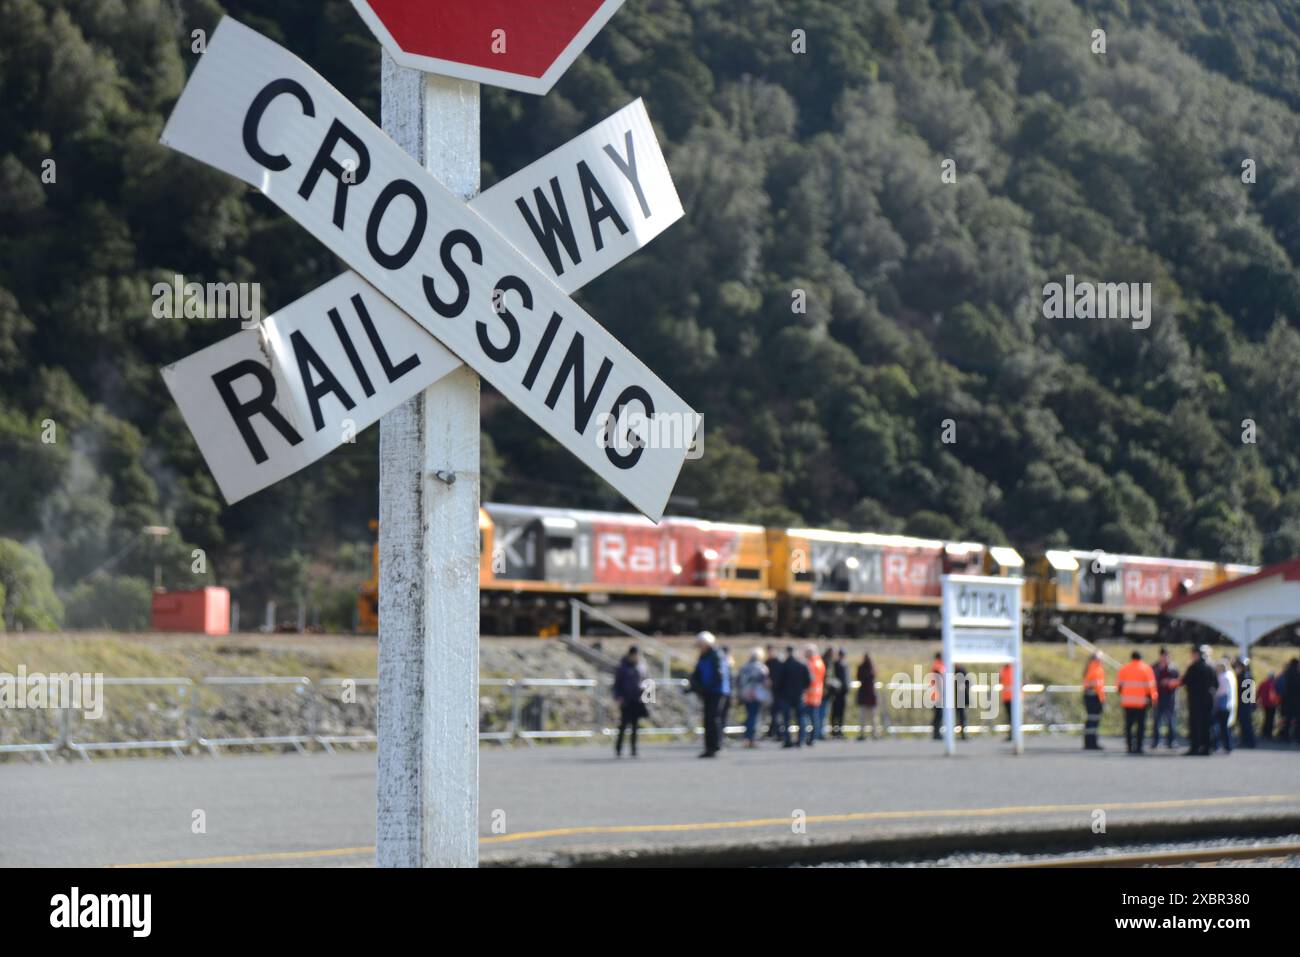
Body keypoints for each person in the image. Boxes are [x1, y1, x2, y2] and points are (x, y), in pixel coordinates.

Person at [689, 631, 729, 758]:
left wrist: (705, 687)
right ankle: (709, 747)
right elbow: (697, 673)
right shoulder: (703, 656)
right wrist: (695, 684)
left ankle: (716, 746)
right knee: (707, 719)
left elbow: (719, 676)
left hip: (716, 692)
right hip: (707, 691)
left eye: (700, 644)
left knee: (713, 718)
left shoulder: (716, 655)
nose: (699, 647)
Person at [1116, 650, 1157, 754]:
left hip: (1127, 703)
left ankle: (1129, 747)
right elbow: (1151, 687)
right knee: (1140, 726)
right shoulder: (1146, 669)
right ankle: (1139, 747)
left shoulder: (1124, 669)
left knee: (1128, 726)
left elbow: (1119, 687)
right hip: (1141, 703)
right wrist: (1153, 700)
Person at [613, 646, 649, 758]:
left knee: (635, 725)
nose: (636, 657)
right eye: (634, 655)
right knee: (623, 725)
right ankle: (618, 748)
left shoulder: (642, 667)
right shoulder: (622, 667)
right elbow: (616, 685)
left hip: (637, 700)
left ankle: (634, 749)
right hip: (626, 700)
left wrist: (646, 696)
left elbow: (647, 681)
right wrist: (618, 696)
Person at [1182, 645, 1216, 756]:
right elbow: (1216, 684)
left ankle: (1195, 747)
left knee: (1195, 724)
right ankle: (1207, 747)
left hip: (1195, 701)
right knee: (1207, 724)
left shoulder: (1193, 668)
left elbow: (1185, 681)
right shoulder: (1210, 667)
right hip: (1208, 700)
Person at [736, 648, 770, 748]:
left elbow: (739, 682)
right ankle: (752, 739)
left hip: (745, 694)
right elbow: (765, 682)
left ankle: (746, 738)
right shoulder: (761, 668)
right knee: (755, 717)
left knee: (749, 715)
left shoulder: (744, 667)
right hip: (757, 695)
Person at [779, 645, 810, 748]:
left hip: (786, 695)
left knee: (786, 719)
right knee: (801, 718)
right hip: (799, 695)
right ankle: (801, 740)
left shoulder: (783, 665)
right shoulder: (802, 665)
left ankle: (787, 740)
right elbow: (809, 681)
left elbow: (778, 682)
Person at [1151, 647, 1180, 750]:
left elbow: (1178, 681)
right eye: (1163, 656)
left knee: (1171, 721)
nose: (1165, 658)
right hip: (1158, 698)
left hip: (1170, 699)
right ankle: (1156, 741)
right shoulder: (1154, 667)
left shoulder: (1173, 668)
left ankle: (1172, 741)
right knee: (1157, 721)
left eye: (1167, 656)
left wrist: (1169, 682)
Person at [801, 645, 826, 747]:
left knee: (808, 718)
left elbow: (809, 680)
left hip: (810, 695)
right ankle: (813, 737)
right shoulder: (820, 662)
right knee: (815, 718)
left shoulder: (812, 664)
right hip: (816, 694)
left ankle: (810, 737)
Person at [1082, 652, 1106, 750]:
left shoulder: (1093, 668)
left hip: (1092, 697)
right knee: (1093, 721)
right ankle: (1091, 743)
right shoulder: (1095, 669)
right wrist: (1101, 699)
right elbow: (1096, 687)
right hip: (1094, 698)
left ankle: (1090, 742)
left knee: (1092, 721)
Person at [1211, 660, 1234, 754]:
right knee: (1224, 727)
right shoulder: (1229, 676)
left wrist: (1214, 693)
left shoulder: (1222, 677)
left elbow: (1220, 691)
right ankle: (1227, 746)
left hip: (1222, 705)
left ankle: (1221, 746)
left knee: (1220, 727)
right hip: (1227, 704)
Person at [856, 652, 879, 740]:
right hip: (869, 695)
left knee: (867, 717)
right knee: (869, 717)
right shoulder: (870, 668)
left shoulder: (866, 668)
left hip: (867, 695)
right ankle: (873, 734)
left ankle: (866, 734)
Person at [1235, 657, 1256, 749]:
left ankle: (1249, 741)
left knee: (1246, 724)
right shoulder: (1246, 676)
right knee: (1244, 723)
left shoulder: (1245, 677)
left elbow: (1246, 695)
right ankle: (1245, 740)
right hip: (1246, 704)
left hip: (1245, 704)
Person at [828, 648, 849, 738]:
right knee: (835, 712)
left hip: (843, 693)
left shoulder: (845, 664)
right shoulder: (836, 664)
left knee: (841, 713)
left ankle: (839, 730)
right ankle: (834, 730)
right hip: (836, 692)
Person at [1279, 658, 1300, 743]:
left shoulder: (1286, 674)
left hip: (1287, 700)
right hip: (1297, 701)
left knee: (1287, 719)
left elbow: (1282, 687)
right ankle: (1297, 736)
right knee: (1298, 720)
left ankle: (1285, 736)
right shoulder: (1298, 674)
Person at [719, 644, 736, 745]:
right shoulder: (726, 662)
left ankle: (720, 737)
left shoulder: (721, 661)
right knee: (723, 716)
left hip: (722, 692)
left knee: (720, 716)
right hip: (725, 692)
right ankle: (721, 737)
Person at [764, 643, 782, 738]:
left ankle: (776, 732)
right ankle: (773, 731)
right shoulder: (767, 662)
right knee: (772, 713)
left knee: (776, 713)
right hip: (769, 691)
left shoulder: (778, 662)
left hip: (778, 691)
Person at [928, 652, 946, 740]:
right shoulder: (938, 666)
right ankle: (936, 734)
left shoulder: (936, 665)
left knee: (938, 715)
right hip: (937, 694)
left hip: (935, 693)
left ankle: (936, 733)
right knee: (938, 715)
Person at [1259, 671, 1280, 740]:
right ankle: (1268, 733)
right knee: (1270, 719)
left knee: (1266, 718)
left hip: (1265, 704)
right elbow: (1276, 694)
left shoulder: (1263, 683)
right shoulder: (1274, 684)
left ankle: (1264, 732)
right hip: (1272, 704)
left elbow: (1258, 692)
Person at [999, 661, 1015, 741]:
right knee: (1009, 717)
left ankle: (1013, 734)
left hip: (1014, 698)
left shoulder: (1015, 669)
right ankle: (1011, 734)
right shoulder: (1002, 670)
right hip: (1006, 697)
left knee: (1013, 717)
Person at [953, 664, 970, 740]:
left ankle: (963, 734)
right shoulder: (952, 670)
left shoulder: (962, 671)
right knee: (958, 717)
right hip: (955, 698)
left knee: (962, 717)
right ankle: (959, 734)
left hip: (962, 698)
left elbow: (967, 683)